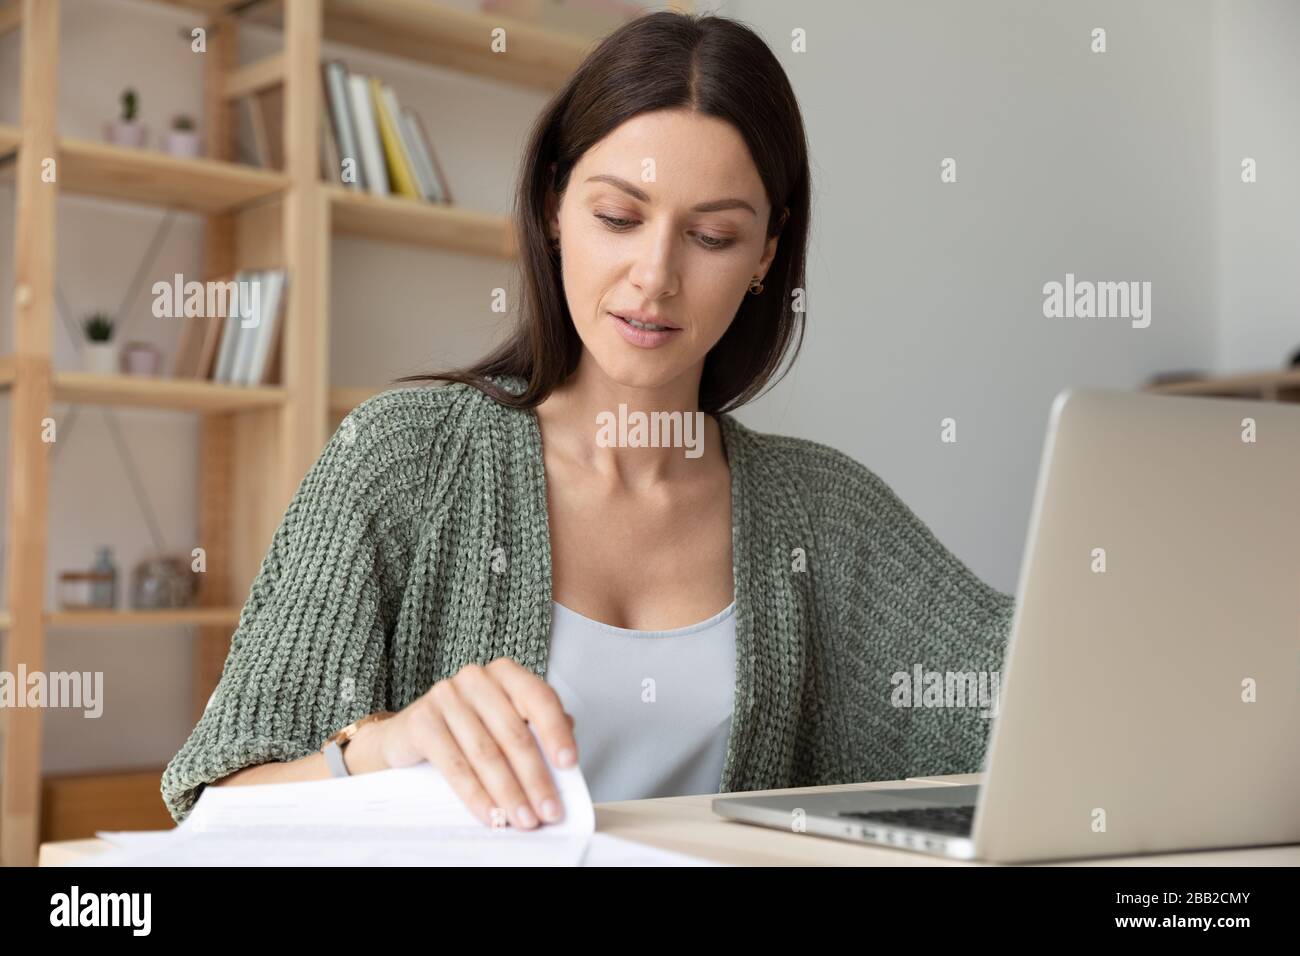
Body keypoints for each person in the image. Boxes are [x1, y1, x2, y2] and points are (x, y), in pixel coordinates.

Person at [162, 11, 1015, 830]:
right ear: (552, 209)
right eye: (618, 218)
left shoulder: (824, 512)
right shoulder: (400, 461)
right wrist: (384, 747)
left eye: (712, 236)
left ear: (765, 255)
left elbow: (1035, 686)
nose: (655, 276)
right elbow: (216, 804)